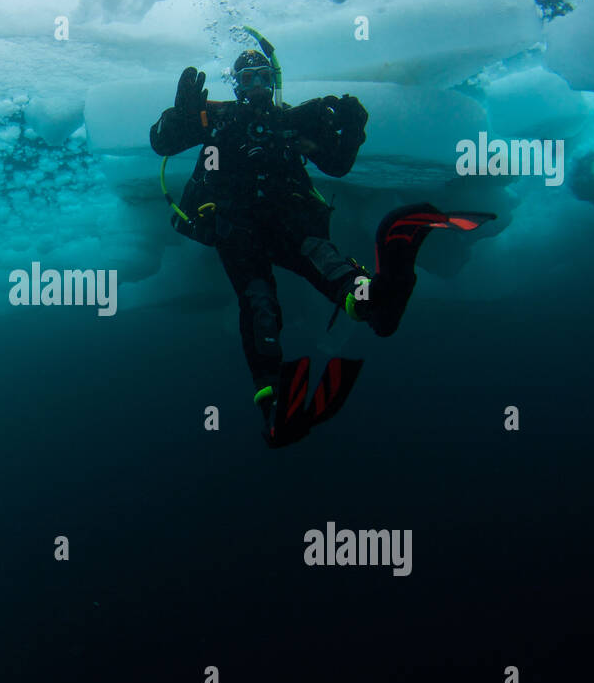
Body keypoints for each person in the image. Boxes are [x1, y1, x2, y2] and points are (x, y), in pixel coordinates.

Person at [150, 49, 491, 446]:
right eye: (248, 80)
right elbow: (161, 143)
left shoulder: (291, 121)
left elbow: (337, 165)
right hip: (235, 228)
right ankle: (271, 399)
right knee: (258, 303)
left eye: (263, 78)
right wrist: (179, 117)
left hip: (290, 223)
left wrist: (351, 129)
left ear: (273, 81)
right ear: (237, 85)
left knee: (330, 266)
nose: (257, 87)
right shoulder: (216, 119)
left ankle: (373, 302)